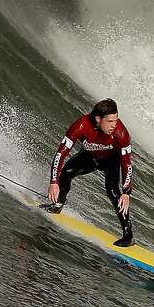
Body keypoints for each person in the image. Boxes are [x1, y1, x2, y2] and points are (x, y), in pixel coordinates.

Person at [45, 98, 135, 247]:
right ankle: (58, 204)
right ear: (98, 119)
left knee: (114, 192)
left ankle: (128, 234)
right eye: (110, 121)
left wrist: (127, 192)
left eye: (116, 120)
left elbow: (127, 163)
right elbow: (61, 153)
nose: (114, 125)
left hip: (111, 160)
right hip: (89, 156)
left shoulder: (121, 133)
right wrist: (53, 182)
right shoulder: (81, 125)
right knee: (67, 172)